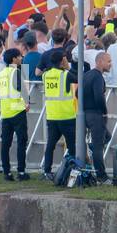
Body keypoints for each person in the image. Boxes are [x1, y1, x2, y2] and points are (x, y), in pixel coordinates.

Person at [0, 48, 30, 181]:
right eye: (19, 56)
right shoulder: (17, 72)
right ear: (14, 59)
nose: (21, 58)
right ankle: (21, 172)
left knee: (6, 144)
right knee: (21, 142)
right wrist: (26, 104)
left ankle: (7, 173)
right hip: (18, 111)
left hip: (5, 113)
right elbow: (23, 92)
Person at [40, 48, 77, 178]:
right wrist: (68, 67)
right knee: (72, 145)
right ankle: (72, 170)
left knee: (50, 145)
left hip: (52, 115)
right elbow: (78, 79)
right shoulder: (66, 75)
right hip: (67, 116)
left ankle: (47, 171)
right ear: (62, 61)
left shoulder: (46, 75)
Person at [80, 52, 112, 182]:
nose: (111, 64)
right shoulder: (98, 77)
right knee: (98, 146)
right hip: (96, 114)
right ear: (99, 62)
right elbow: (99, 96)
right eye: (108, 61)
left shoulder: (86, 75)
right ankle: (101, 176)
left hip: (85, 114)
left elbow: (77, 93)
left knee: (107, 137)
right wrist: (104, 111)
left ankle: (93, 149)